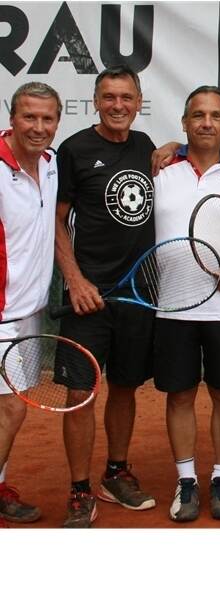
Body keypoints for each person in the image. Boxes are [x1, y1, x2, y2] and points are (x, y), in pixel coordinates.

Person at [54, 65, 157, 527]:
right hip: (87, 297)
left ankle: (116, 471)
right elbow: (54, 221)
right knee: (81, 393)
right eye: (109, 97)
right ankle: (79, 490)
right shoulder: (74, 150)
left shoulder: (146, 147)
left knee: (125, 386)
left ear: (138, 102)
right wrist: (75, 280)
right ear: (96, 100)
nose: (118, 105)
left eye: (127, 98)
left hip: (136, 296)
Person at [153, 86, 220, 522]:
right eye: (197, 115)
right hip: (171, 308)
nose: (206, 122)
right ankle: (186, 480)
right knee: (178, 396)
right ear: (184, 123)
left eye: (215, 115)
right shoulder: (159, 170)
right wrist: (168, 150)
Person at [0, 82, 61, 527]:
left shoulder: (52, 164)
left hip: (30, 313)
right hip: (0, 313)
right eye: (29, 117)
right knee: (11, 407)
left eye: (47, 119)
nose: (38, 128)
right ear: (12, 117)